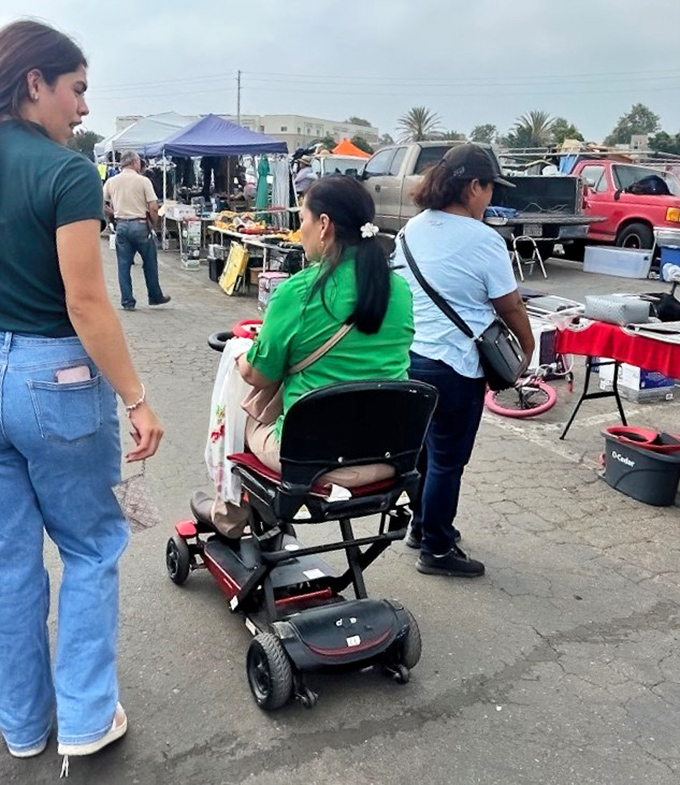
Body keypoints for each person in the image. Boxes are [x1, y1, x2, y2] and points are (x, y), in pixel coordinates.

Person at [0, 20, 164, 762]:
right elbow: (88, 302)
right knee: (93, 548)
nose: (84, 109)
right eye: (78, 90)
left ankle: (23, 724)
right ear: (34, 84)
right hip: (55, 378)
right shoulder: (65, 173)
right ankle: (89, 715)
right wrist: (136, 396)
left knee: (9, 562)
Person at [393, 143, 534, 579]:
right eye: (490, 188)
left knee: (421, 454)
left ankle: (421, 527)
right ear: (474, 186)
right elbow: (510, 306)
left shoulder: (409, 230)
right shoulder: (485, 240)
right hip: (455, 367)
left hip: (410, 358)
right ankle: (436, 548)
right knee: (448, 460)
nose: (491, 198)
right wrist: (527, 349)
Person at [236, 174, 414, 493]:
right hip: (388, 452)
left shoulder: (299, 292)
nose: (298, 230)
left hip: (313, 456)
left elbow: (259, 376)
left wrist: (239, 357)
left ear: (324, 224)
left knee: (240, 412)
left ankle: (231, 517)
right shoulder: (399, 290)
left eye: (301, 219)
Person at [103, 150, 171, 311]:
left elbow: (101, 202)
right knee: (150, 262)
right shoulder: (143, 181)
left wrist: (114, 213)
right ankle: (154, 296)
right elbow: (153, 206)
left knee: (123, 265)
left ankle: (127, 300)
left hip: (121, 225)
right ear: (134, 163)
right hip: (140, 225)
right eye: (139, 162)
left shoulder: (112, 182)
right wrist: (154, 223)